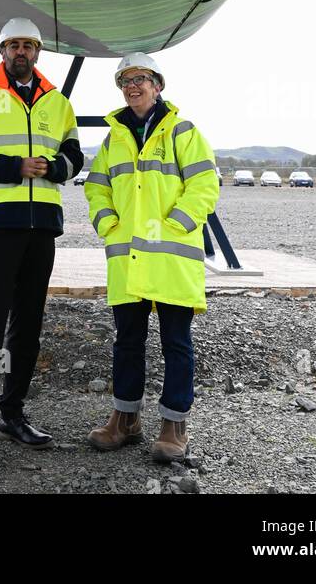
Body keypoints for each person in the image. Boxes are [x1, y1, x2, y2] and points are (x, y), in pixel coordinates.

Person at [0, 18, 84, 471]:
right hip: (0, 222)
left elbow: (75, 157)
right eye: (14, 45)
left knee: (28, 322)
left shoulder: (59, 103)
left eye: (29, 45)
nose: (21, 52)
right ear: (2, 51)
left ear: (38, 52)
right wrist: (13, 168)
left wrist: (53, 168)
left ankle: (13, 414)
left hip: (42, 224)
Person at [84, 53, 218, 461]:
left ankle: (174, 425)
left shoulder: (183, 131)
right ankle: (125, 420)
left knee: (176, 343)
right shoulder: (114, 138)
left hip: (171, 259)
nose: (132, 86)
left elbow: (205, 185)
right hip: (128, 261)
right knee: (127, 342)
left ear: (158, 85)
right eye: (125, 80)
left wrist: (177, 221)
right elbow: (96, 185)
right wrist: (107, 222)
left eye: (140, 78)